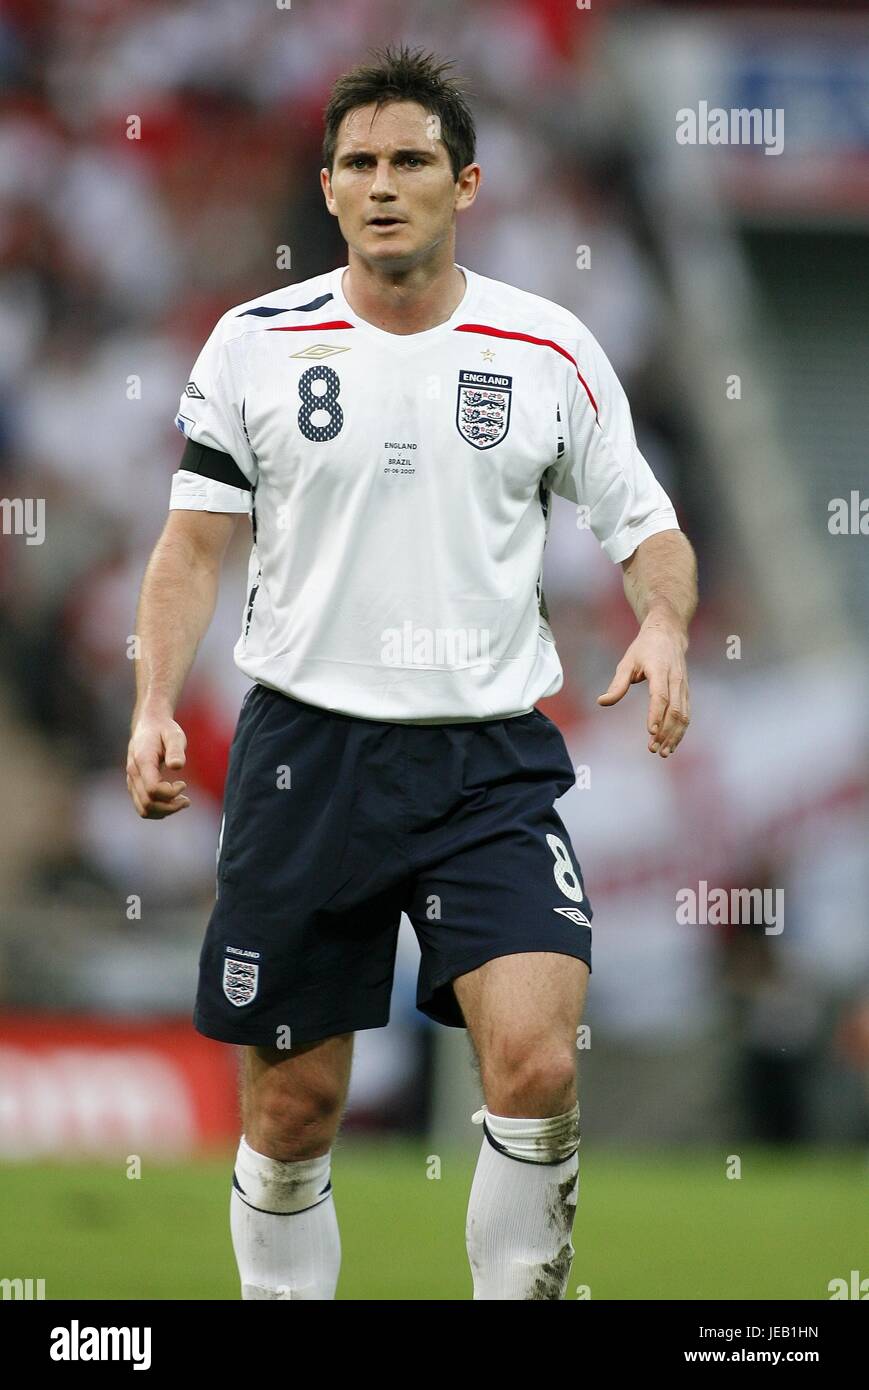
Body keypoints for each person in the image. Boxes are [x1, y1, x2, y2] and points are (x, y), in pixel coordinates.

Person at [126, 44, 697, 1301]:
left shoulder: (545, 345)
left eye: (412, 162)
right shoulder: (253, 344)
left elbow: (648, 527)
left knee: (538, 1064)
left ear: (467, 184)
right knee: (291, 1106)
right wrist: (155, 700)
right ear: (326, 188)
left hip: (484, 759)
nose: (384, 185)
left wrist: (659, 623)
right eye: (360, 163)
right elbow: (190, 548)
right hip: (305, 755)